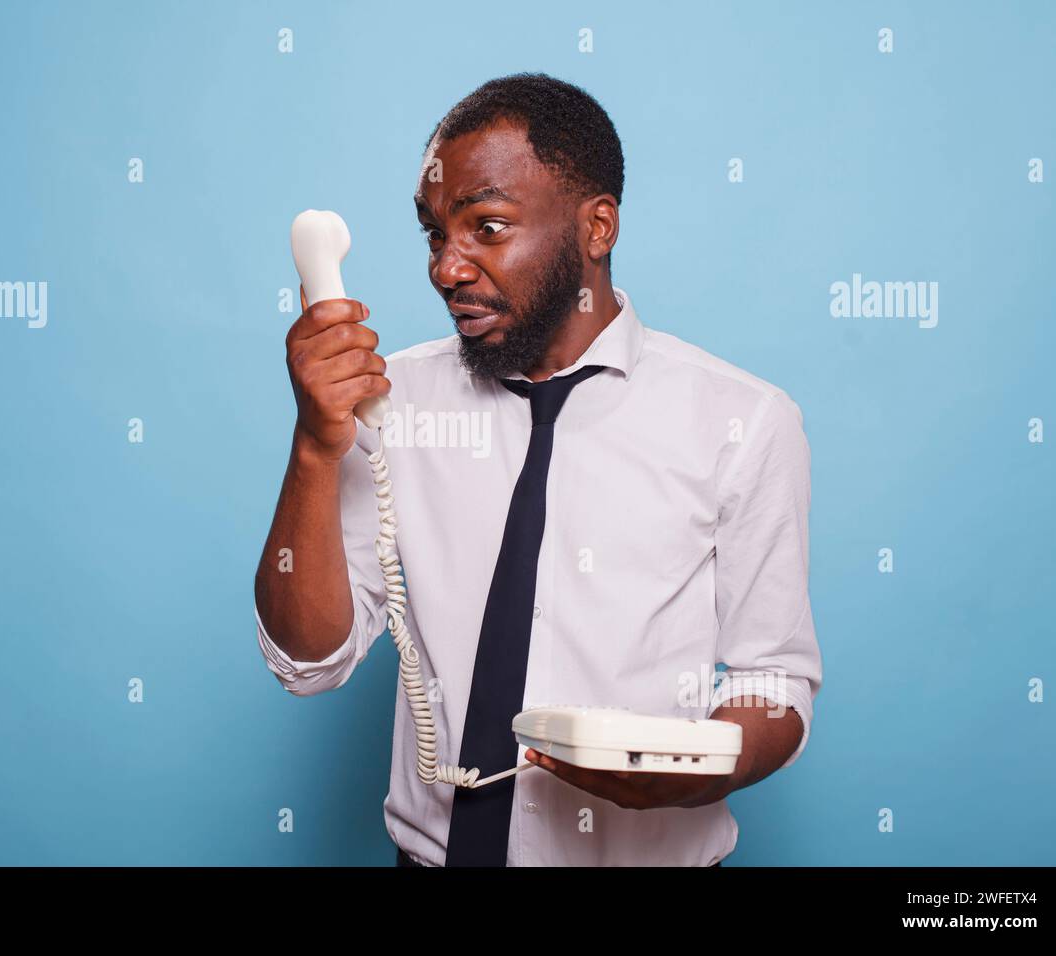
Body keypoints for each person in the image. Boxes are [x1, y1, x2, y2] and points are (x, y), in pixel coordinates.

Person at [254, 73, 822, 867]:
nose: (446, 269)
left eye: (486, 227)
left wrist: (695, 773)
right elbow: (308, 661)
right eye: (433, 234)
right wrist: (316, 446)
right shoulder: (393, 401)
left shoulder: (743, 420)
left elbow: (774, 679)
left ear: (597, 227)